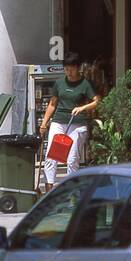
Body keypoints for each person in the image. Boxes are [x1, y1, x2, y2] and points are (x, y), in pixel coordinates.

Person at [39, 53, 99, 187]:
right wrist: (44, 123)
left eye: (71, 69)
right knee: (51, 156)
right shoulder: (59, 83)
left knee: (72, 159)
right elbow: (52, 104)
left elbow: (96, 101)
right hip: (58, 122)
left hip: (77, 124)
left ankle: (71, 190)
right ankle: (49, 190)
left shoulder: (85, 84)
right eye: (66, 69)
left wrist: (82, 108)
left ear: (78, 68)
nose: (69, 73)